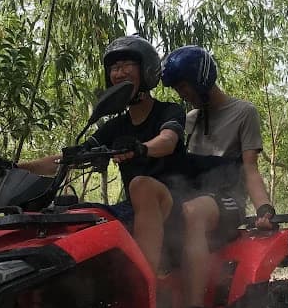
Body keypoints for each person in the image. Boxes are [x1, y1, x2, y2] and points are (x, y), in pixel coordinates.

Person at [19, 35, 185, 275]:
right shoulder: (115, 126)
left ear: (147, 70)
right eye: (114, 68)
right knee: (77, 216)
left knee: (141, 185)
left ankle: (146, 284)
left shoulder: (169, 111)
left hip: (172, 204)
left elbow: (167, 141)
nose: (119, 73)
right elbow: (69, 159)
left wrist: (141, 148)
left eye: (127, 65)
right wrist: (18, 168)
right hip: (133, 207)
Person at [160, 45, 275, 308]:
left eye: (184, 87)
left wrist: (265, 209)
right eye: (177, 89)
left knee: (191, 212)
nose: (182, 94)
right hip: (192, 196)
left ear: (202, 79)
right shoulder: (188, 120)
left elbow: (250, 170)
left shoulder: (244, 113)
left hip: (227, 200)